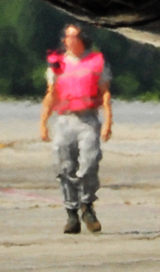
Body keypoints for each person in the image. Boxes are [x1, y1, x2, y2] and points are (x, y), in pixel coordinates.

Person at [39, 23, 112, 234]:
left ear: (82, 39)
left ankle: (87, 205)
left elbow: (105, 93)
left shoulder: (96, 62)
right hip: (64, 119)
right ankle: (71, 213)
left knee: (89, 163)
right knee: (64, 167)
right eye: (67, 37)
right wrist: (43, 122)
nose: (69, 41)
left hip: (88, 119)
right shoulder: (58, 64)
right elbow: (51, 93)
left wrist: (108, 122)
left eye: (74, 37)